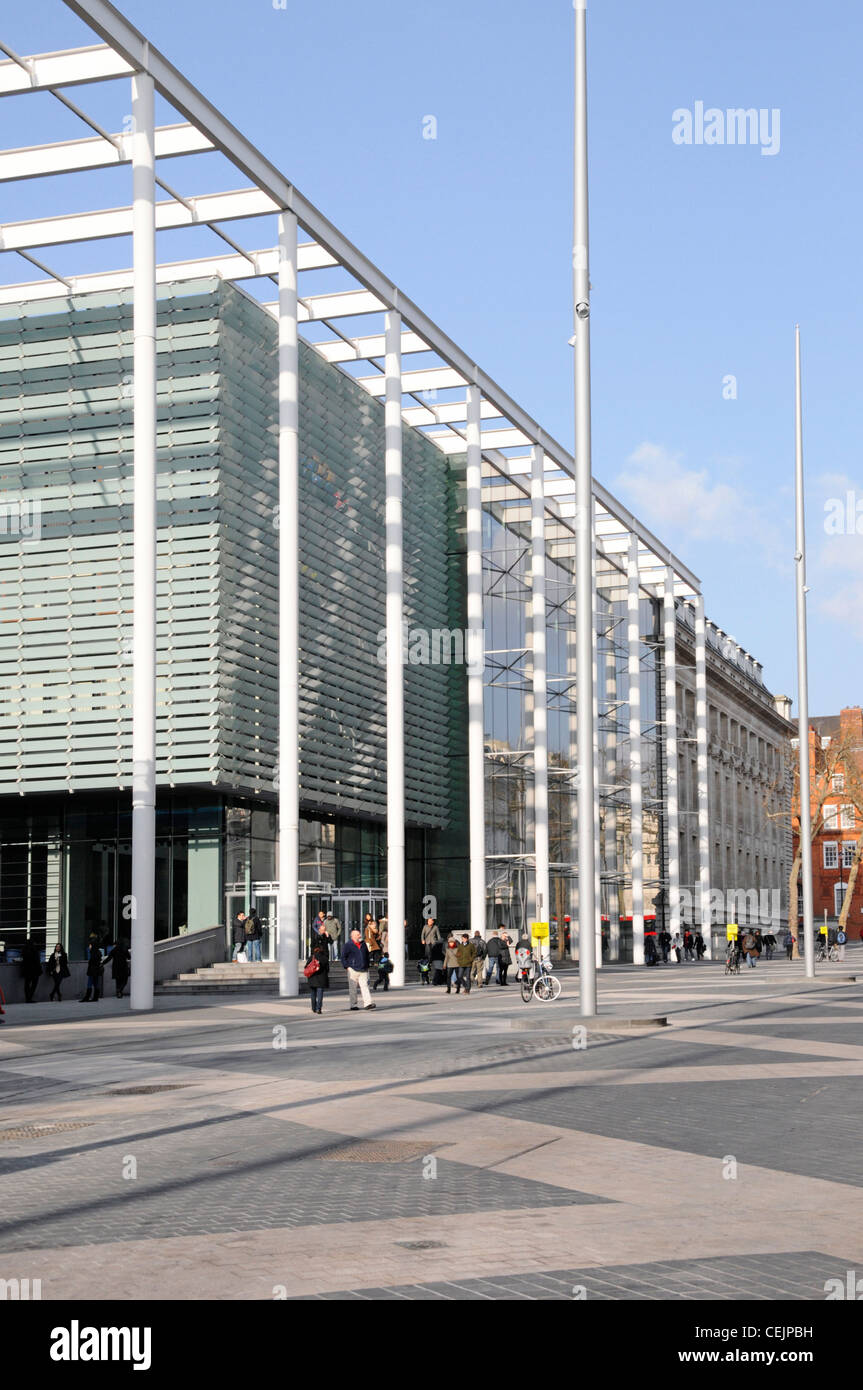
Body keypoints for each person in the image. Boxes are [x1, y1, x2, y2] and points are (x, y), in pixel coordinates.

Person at [341, 928, 375, 1011]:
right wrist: (347, 967)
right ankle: (353, 1005)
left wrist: (367, 965)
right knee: (353, 988)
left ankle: (368, 1003)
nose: (360, 935)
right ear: (352, 936)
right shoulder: (348, 945)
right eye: (358, 934)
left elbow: (367, 955)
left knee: (365, 986)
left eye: (359, 934)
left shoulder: (363, 944)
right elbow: (343, 957)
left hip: (363, 969)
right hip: (353, 969)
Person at [304, 931, 330, 1015]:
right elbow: (327, 968)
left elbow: (306, 967)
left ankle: (313, 1008)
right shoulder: (324, 958)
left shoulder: (312, 957)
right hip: (321, 978)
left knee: (313, 994)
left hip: (312, 978)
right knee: (320, 994)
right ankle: (319, 1008)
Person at [80, 935, 103, 1002]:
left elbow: (92, 962)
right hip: (96, 971)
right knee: (96, 983)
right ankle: (95, 997)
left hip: (92, 971)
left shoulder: (93, 953)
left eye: (90, 945)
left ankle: (87, 997)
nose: (89, 946)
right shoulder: (98, 952)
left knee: (89, 983)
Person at [21, 938, 42, 1004]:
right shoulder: (34, 950)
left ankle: (27, 998)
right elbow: (37, 961)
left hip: (27, 970)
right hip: (34, 971)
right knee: (34, 984)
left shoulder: (24, 950)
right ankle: (30, 997)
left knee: (27, 984)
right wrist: (40, 969)